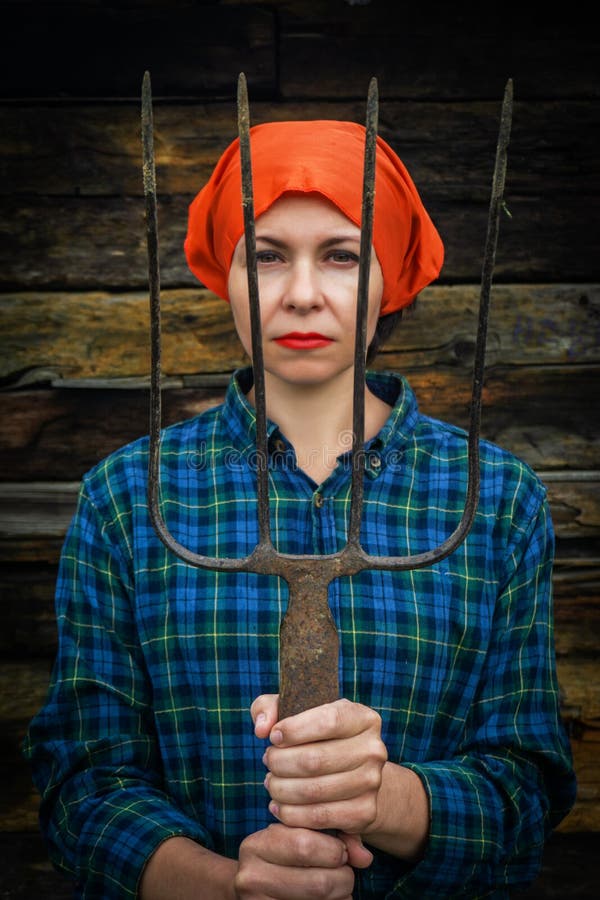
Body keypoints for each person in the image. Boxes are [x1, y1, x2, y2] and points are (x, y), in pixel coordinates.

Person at [23, 119, 576, 899]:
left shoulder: (495, 500)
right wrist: (227, 886)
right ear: (227, 274)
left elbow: (526, 787)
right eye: (269, 255)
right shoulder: (128, 499)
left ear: (392, 279)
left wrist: (379, 797)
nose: (304, 293)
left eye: (343, 256)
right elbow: (81, 778)